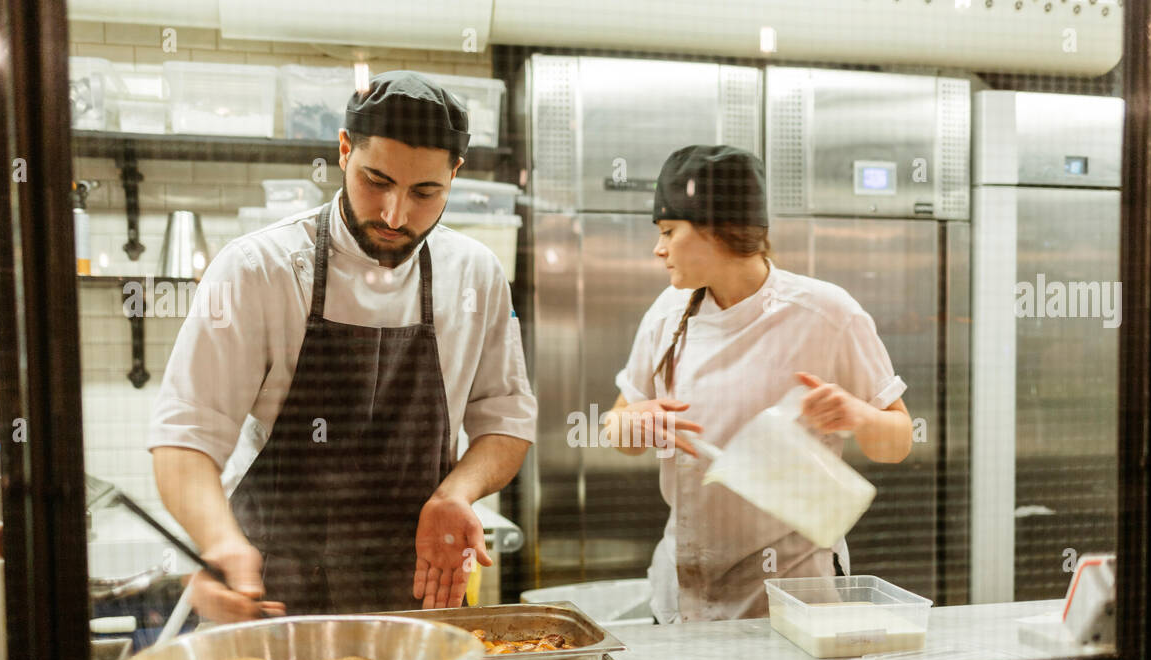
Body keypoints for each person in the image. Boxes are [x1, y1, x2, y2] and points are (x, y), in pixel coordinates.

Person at [148, 72, 536, 621]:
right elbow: (185, 436)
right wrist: (217, 543)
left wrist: (457, 493)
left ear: (455, 173)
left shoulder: (476, 274)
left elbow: (506, 422)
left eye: (426, 192)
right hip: (269, 590)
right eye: (376, 180)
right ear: (344, 149)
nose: (395, 215)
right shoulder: (259, 269)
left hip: (415, 594)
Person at [606, 144, 911, 623]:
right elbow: (617, 432)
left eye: (668, 232)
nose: (658, 248)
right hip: (679, 589)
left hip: (790, 596)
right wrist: (629, 423)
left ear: (715, 230)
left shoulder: (827, 313)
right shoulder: (668, 311)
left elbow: (897, 443)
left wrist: (859, 415)